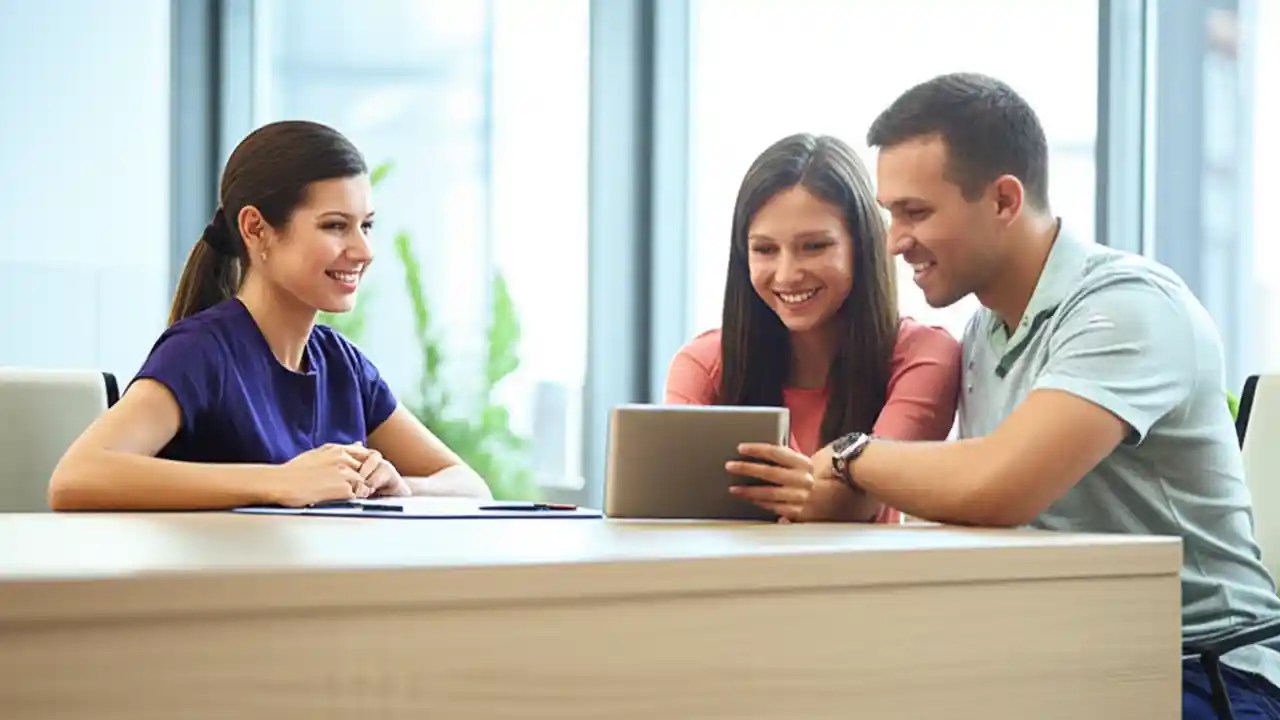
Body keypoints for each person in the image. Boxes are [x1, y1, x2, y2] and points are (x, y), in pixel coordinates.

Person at [790, 73, 1280, 715]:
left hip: (1204, 673)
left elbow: (998, 487)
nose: (894, 241)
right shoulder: (984, 334)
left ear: (1003, 200)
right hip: (1069, 661)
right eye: (891, 214)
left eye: (916, 212)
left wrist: (849, 455)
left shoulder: (1127, 309)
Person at [49, 120, 492, 510]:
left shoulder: (344, 367)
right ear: (255, 229)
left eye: (367, 225)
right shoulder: (202, 352)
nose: (363, 250)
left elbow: (469, 486)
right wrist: (279, 482)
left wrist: (398, 487)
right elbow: (77, 476)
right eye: (335, 226)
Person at [666, 133, 960, 523]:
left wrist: (821, 485)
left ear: (862, 247)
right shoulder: (703, 364)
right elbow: (671, 506)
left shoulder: (924, 357)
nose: (787, 274)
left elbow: (865, 498)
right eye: (765, 249)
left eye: (814, 246)